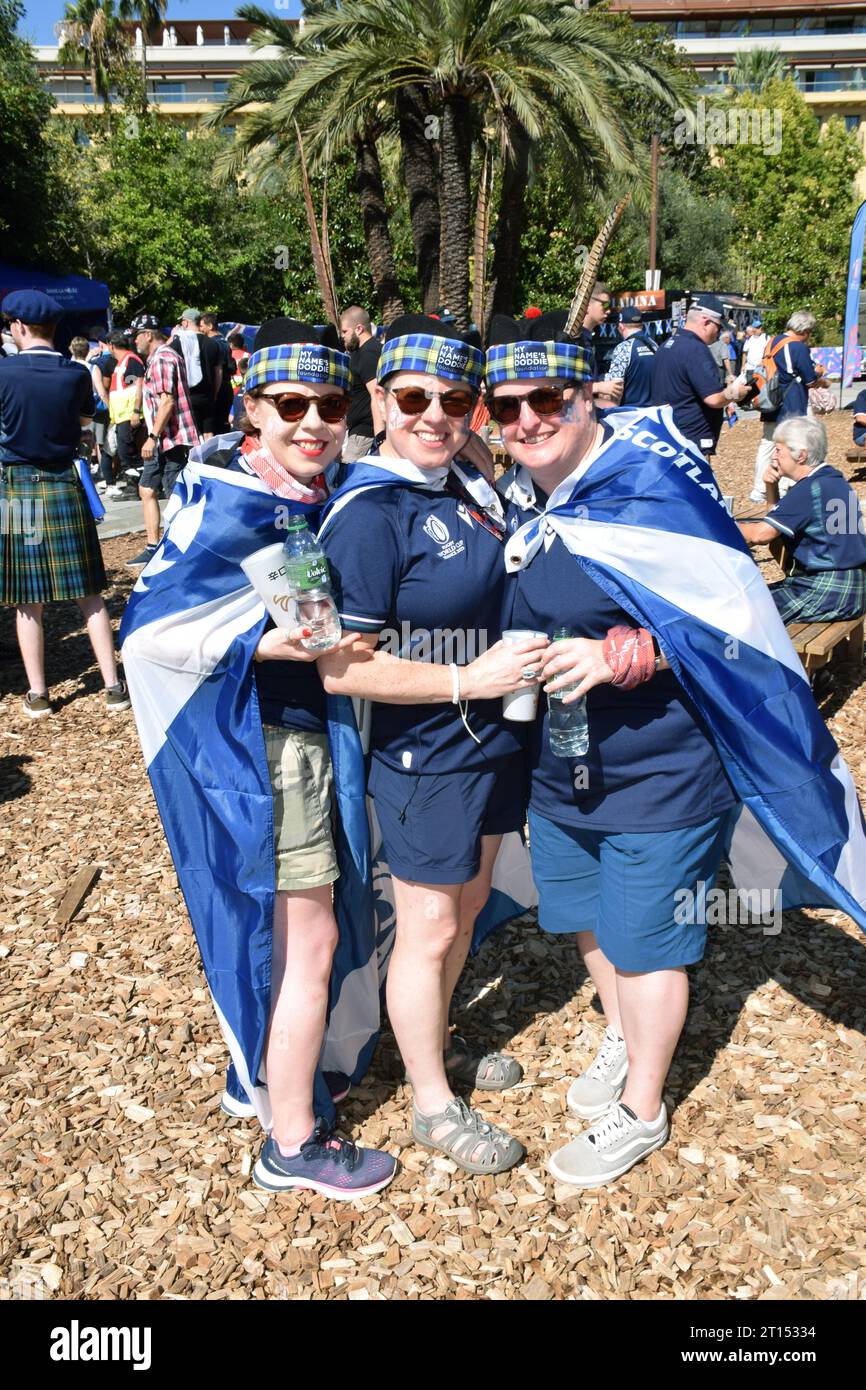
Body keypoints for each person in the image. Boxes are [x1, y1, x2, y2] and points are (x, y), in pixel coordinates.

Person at [120, 319, 397, 1199]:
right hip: (272, 753)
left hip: (312, 743)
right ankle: (295, 1141)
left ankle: (267, 1077)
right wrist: (264, 649)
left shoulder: (315, 496)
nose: (312, 421)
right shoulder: (231, 503)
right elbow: (150, 637)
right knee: (306, 943)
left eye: (329, 405)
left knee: (293, 934)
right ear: (252, 409)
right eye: (290, 405)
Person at [483, 308, 740, 1186]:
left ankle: (644, 1107)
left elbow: (737, 621)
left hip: (663, 770)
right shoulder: (530, 498)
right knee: (590, 922)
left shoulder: (654, 487)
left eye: (546, 399)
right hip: (563, 769)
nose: (526, 421)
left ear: (590, 395)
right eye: (505, 407)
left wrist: (621, 654)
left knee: (649, 945)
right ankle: (624, 1036)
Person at [317, 313, 550, 1176]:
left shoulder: (463, 482)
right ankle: (429, 1102)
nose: (436, 414)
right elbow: (343, 670)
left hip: (492, 740)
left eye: (456, 399)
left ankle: (435, 1042)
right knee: (428, 923)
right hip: (425, 753)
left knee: (466, 911)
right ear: (378, 399)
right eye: (414, 397)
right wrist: (468, 681)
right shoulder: (370, 513)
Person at [0, 290, 130, 717]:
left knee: (26, 598)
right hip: (64, 484)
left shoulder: (2, 373)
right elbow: (85, 423)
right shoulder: (74, 374)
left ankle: (39, 694)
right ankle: (112, 685)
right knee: (89, 592)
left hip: (18, 489)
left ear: (18, 326)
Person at [739, 415, 866, 623]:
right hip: (855, 586)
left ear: (801, 456)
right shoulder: (832, 478)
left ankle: (734, 655)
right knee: (754, 599)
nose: (774, 457)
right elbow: (777, 521)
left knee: (744, 610)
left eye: (779, 450)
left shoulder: (808, 489)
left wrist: (714, 525)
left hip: (826, 590)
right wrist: (771, 487)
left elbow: (761, 535)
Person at [128, 314, 199, 569]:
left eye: (136, 335)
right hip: (164, 440)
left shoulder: (163, 358)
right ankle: (153, 546)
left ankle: (180, 550)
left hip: (171, 439)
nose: (133, 341)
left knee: (175, 496)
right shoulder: (162, 358)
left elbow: (167, 401)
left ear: (148, 334)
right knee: (147, 489)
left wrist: (152, 437)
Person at [650, 293, 748, 457]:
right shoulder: (696, 349)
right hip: (692, 441)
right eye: (718, 327)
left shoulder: (667, 344)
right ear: (706, 322)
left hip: (667, 436)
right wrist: (736, 392)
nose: (719, 333)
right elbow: (713, 399)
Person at [749, 310, 823, 504]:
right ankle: (783, 485)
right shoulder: (797, 347)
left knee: (767, 444)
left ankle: (759, 488)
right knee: (789, 446)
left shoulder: (772, 341)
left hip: (770, 402)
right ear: (805, 330)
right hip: (790, 405)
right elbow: (809, 379)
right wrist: (821, 377)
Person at [338, 306, 384, 462]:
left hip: (366, 433)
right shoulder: (361, 352)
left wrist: (380, 436)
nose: (342, 336)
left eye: (345, 332)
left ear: (358, 329)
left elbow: (377, 395)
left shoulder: (369, 354)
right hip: (359, 431)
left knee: (348, 479)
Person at [171, 307, 223, 441]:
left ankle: (194, 460)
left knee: (193, 433)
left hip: (188, 396)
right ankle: (209, 460)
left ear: (186, 323)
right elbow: (219, 372)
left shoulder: (178, 343)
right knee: (208, 433)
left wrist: (172, 336)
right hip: (208, 395)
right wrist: (215, 393)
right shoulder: (213, 344)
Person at [105, 331, 144, 498]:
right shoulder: (123, 362)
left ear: (112, 346)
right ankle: (133, 485)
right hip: (122, 416)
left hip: (129, 415)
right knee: (125, 452)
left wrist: (136, 411)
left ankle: (133, 487)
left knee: (128, 452)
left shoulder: (131, 361)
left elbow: (138, 386)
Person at [84, 329, 118, 494]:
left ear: (101, 344)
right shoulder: (118, 359)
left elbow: (100, 390)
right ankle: (113, 475)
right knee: (113, 442)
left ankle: (107, 477)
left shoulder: (97, 363)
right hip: (119, 407)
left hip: (102, 408)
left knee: (102, 443)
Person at [578, 282, 623, 406]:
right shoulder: (574, 339)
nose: (608, 311)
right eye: (605, 305)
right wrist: (599, 387)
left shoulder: (586, 338)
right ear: (586, 305)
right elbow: (568, 387)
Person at [603, 307, 657, 407]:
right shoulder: (654, 345)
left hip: (631, 414)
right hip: (653, 414)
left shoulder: (623, 348)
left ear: (621, 326)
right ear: (641, 325)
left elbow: (616, 387)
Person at [200, 312, 234, 435]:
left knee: (214, 426)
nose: (200, 328)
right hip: (226, 386)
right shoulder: (224, 341)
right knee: (222, 424)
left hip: (218, 388)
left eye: (202, 325)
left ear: (210, 326)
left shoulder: (213, 344)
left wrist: (214, 393)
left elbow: (218, 371)